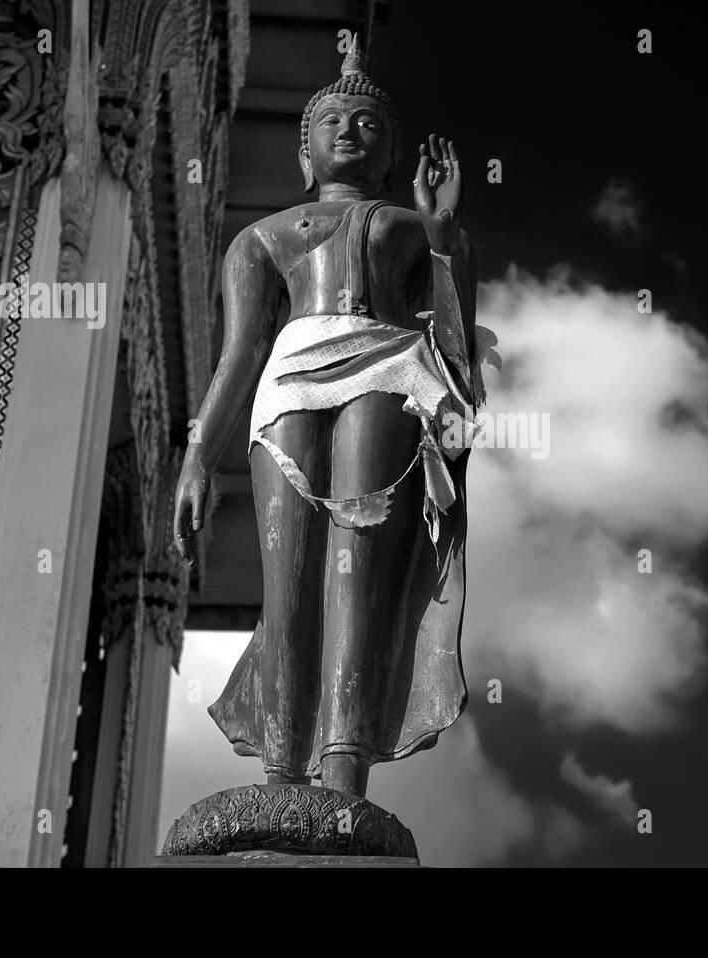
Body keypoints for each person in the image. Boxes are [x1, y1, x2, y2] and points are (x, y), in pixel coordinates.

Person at [172, 35, 495, 798]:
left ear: (391, 154)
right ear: (305, 153)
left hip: (387, 371)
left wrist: (446, 244)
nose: (351, 131)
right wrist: (194, 458)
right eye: (334, 123)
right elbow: (238, 356)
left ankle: (345, 768)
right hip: (286, 385)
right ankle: (283, 770)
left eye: (370, 124)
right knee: (289, 583)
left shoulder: (413, 229)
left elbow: (456, 350)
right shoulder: (263, 238)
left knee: (358, 571)